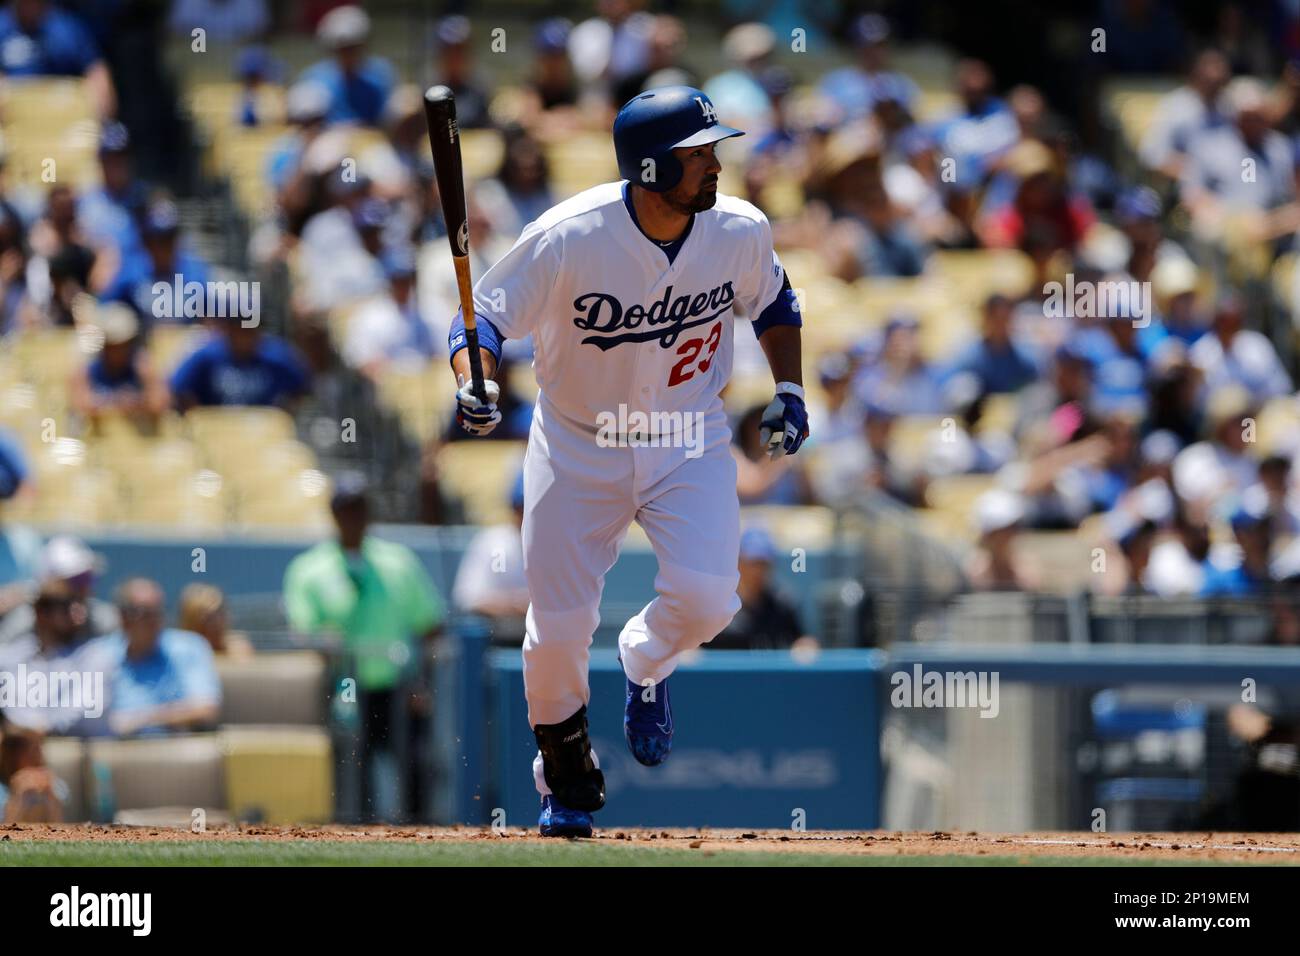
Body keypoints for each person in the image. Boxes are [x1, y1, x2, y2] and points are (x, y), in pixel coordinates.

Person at [446, 85, 806, 837]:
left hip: (689, 436)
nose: (714, 166)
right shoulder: (567, 236)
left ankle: (645, 661)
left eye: (714, 152)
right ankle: (566, 780)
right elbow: (478, 322)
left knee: (710, 599)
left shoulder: (737, 229)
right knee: (557, 631)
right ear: (648, 169)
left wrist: (790, 385)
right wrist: (473, 379)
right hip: (580, 444)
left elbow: (776, 303)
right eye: (697, 155)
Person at [282, 474, 444, 822]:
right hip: (344, 689)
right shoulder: (309, 569)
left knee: (415, 769)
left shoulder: (398, 562)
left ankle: (420, 842)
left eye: (360, 507)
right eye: (346, 508)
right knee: (352, 775)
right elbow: (305, 632)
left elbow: (431, 626)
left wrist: (422, 681)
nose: (353, 516)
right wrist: (331, 644)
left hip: (398, 688)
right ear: (334, 512)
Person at [85, 578, 221, 737]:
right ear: (124, 618)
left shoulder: (187, 647)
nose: (155, 621)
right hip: (112, 750)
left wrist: (139, 720)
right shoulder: (98, 654)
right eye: (144, 614)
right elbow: (87, 714)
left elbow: (206, 709)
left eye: (159, 612)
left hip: (174, 750)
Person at [0, 0, 115, 118]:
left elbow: (96, 71)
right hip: (13, 118)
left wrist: (99, 113)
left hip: (64, 118)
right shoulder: (2, 26)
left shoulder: (67, 27)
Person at [169, 314, 311, 410]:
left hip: (260, 432)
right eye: (239, 328)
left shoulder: (275, 356)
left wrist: (282, 412)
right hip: (216, 432)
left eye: (250, 329)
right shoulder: (207, 356)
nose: (244, 335)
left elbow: (302, 385)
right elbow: (178, 387)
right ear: (228, 329)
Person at [68, 302, 169, 433]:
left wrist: (137, 401)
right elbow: (80, 405)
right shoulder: (88, 370)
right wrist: (113, 403)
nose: (117, 350)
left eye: (122, 344)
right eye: (111, 344)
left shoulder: (141, 366)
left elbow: (160, 403)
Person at [710, 527, 811, 651]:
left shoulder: (781, 603)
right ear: (738, 562)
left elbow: (802, 640)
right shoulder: (718, 605)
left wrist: (804, 647)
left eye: (763, 564)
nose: (758, 571)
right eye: (753, 563)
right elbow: (694, 646)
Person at [452, 472, 530, 625]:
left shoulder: (564, 547)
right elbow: (468, 599)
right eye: (523, 507)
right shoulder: (492, 542)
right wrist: (517, 604)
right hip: (497, 638)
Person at [298, 5, 394, 127]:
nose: (349, 54)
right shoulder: (314, 79)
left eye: (353, 47)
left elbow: (385, 120)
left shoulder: (379, 76)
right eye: (343, 48)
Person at [0, 721, 66, 823]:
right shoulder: (3, 791)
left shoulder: (54, 782)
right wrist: (18, 797)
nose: (38, 756)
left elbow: (61, 826)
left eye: (39, 747)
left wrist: (50, 795)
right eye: (31, 750)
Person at [177, 583, 254, 660]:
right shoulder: (179, 654)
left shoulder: (238, 649)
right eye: (208, 618)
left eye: (220, 613)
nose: (216, 623)